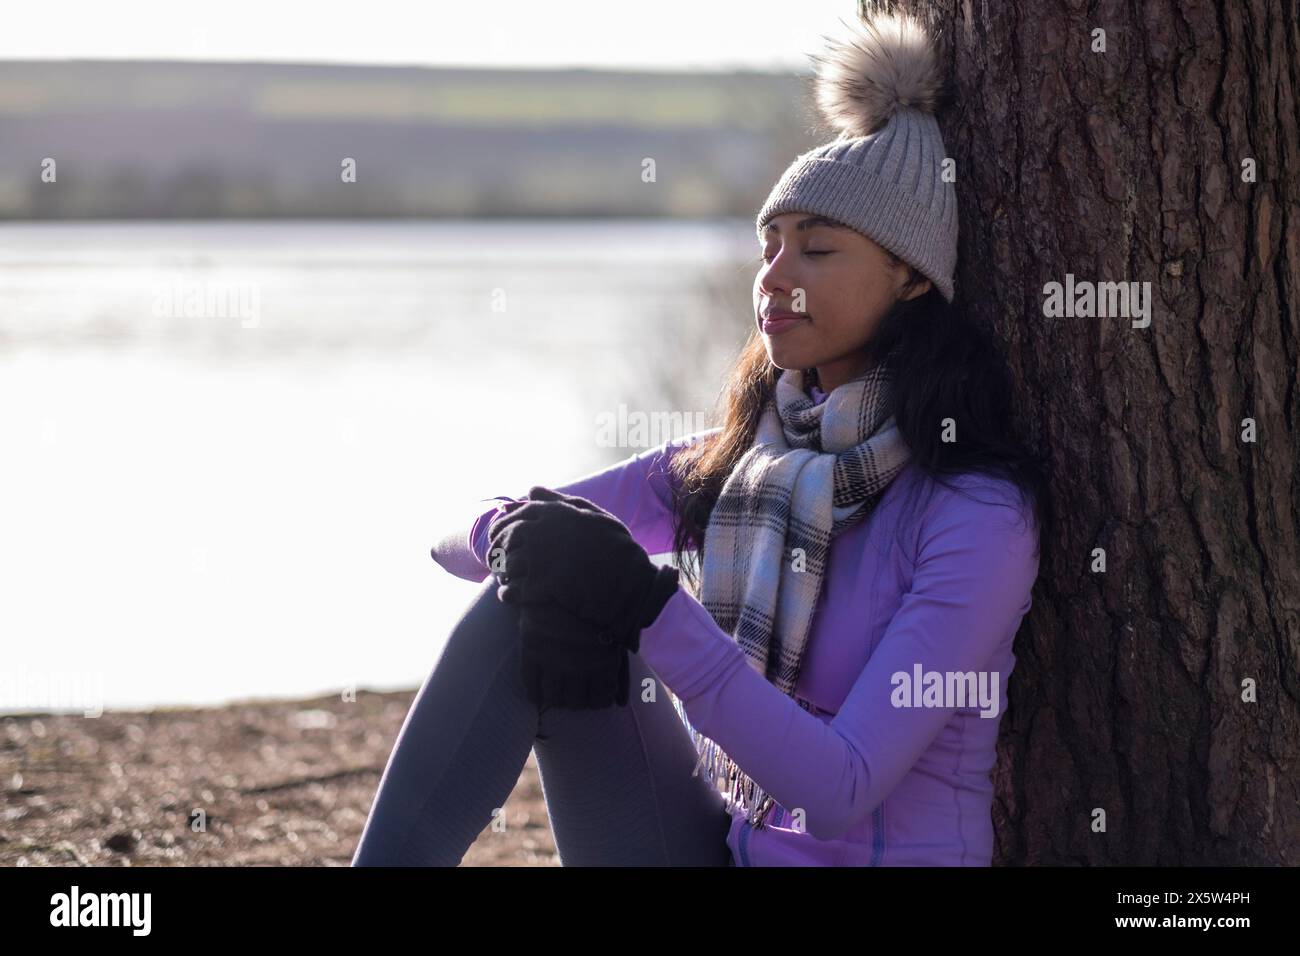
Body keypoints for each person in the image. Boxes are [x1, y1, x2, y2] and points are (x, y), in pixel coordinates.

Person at [351, 9, 1052, 867]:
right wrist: (520, 541)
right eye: (770, 246)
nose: (774, 277)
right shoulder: (736, 462)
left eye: (817, 250)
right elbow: (457, 534)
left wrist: (647, 611)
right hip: (724, 857)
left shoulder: (974, 513)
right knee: (524, 594)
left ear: (909, 277)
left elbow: (840, 790)